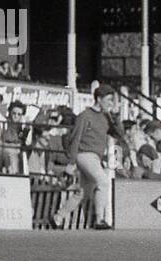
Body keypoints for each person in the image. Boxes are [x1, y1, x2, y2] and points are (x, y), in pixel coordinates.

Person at [50, 84, 126, 230]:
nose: (111, 103)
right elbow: (75, 139)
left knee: (83, 193)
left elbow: (119, 134)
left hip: (95, 157)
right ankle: (99, 219)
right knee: (103, 182)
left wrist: (115, 116)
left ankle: (58, 217)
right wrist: (71, 162)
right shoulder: (84, 116)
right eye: (109, 100)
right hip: (84, 155)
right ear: (99, 99)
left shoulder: (106, 117)